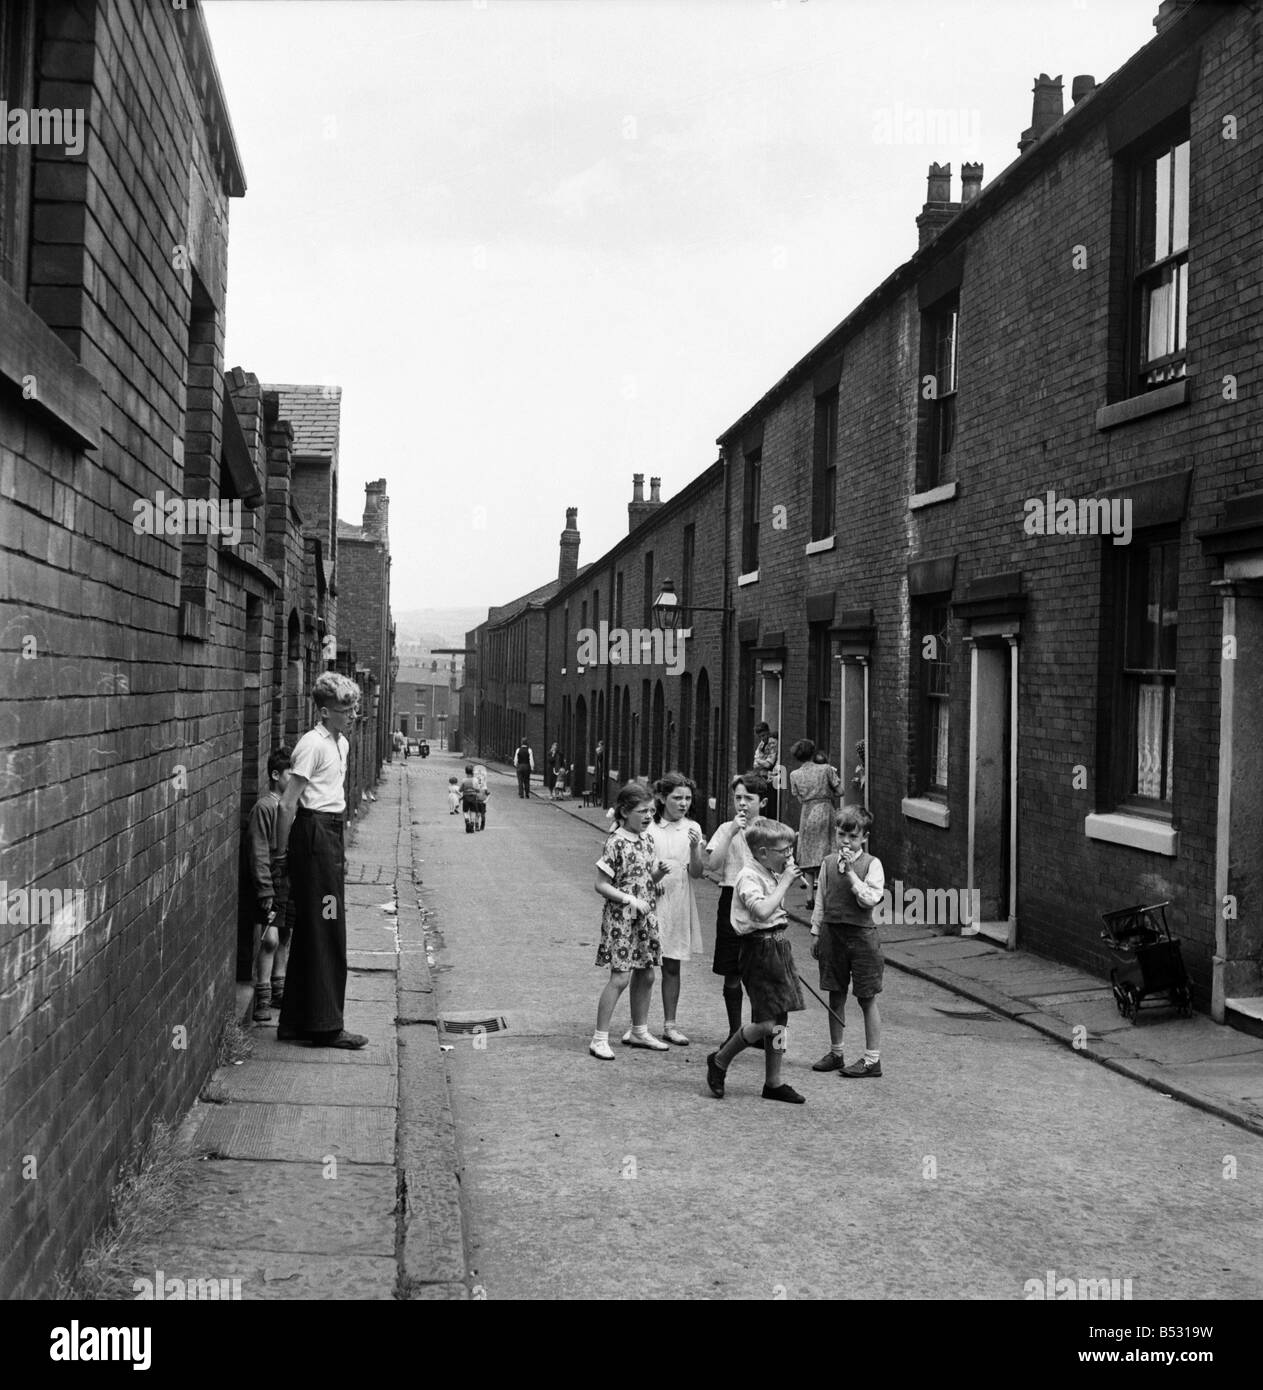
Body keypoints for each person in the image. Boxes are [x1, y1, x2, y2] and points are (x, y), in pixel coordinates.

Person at [276, 671, 367, 1049]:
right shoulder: (311, 745)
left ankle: (298, 1023)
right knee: (326, 924)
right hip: (313, 834)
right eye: (345, 710)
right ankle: (327, 1026)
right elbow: (286, 803)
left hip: (329, 834)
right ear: (326, 711)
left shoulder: (340, 744)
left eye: (354, 708)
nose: (351, 715)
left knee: (319, 924)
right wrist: (281, 854)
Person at [705, 818, 806, 1104]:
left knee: (781, 1020)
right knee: (765, 1023)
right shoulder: (748, 877)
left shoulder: (771, 871)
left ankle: (773, 1081)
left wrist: (783, 878)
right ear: (762, 852)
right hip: (757, 950)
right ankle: (720, 1059)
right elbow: (761, 911)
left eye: (790, 850)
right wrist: (786, 882)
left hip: (777, 947)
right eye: (783, 851)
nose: (789, 856)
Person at [589, 781, 671, 1060]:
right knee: (621, 977)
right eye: (642, 811)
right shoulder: (615, 842)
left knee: (647, 973)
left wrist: (657, 877)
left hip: (644, 916)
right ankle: (599, 1038)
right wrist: (629, 898)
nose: (649, 816)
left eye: (651, 810)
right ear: (624, 812)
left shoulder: (647, 839)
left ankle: (639, 1030)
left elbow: (644, 877)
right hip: (622, 918)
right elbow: (601, 884)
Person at [627, 771, 705, 1046]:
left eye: (687, 798)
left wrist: (696, 848)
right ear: (662, 797)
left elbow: (697, 873)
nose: (683, 803)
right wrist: (652, 879)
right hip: (651, 900)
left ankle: (670, 1025)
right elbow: (639, 866)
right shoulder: (649, 827)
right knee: (643, 963)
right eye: (677, 797)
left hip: (679, 899)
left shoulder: (692, 828)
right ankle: (638, 1026)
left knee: (672, 965)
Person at [809, 805, 885, 1077]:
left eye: (853, 837)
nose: (846, 842)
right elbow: (821, 899)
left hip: (862, 936)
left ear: (864, 837)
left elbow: (869, 899)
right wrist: (816, 932)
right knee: (835, 994)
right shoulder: (828, 863)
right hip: (833, 933)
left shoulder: (872, 864)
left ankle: (871, 1059)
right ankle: (836, 1052)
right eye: (842, 835)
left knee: (866, 997)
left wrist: (851, 873)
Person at [704, 770, 770, 1038]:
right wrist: (731, 832)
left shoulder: (770, 830)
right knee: (731, 969)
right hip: (731, 897)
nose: (742, 803)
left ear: (762, 803)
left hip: (760, 902)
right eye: (738, 797)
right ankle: (734, 1030)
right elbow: (713, 865)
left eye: (749, 798)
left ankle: (756, 1031)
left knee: (759, 972)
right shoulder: (724, 829)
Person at [245, 746, 294, 1022]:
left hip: (288, 878)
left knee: (285, 935)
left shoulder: (290, 806)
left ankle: (278, 990)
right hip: (271, 879)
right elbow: (259, 850)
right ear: (276, 774)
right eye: (291, 773)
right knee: (270, 939)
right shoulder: (265, 808)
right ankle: (262, 997)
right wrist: (264, 888)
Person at [789, 738, 841, 903]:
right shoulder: (826, 769)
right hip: (825, 810)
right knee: (827, 850)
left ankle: (809, 896)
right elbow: (841, 791)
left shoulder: (794, 775)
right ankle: (824, 896)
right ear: (813, 753)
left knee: (809, 852)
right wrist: (827, 794)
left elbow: (798, 798)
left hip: (807, 813)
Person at [753, 722, 780, 817]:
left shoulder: (772, 743)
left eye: (764, 735)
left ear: (768, 732)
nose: (762, 738)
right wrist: (760, 761)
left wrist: (758, 760)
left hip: (770, 778)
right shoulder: (762, 744)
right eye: (760, 736)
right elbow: (755, 764)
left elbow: (769, 763)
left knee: (769, 805)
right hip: (761, 777)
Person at [458, 763, 481, 833]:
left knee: (465, 811)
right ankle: (472, 823)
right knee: (473, 811)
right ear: (473, 772)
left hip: (466, 797)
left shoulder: (464, 780)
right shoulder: (475, 780)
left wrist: (464, 789)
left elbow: (460, 789)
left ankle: (467, 820)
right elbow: (478, 790)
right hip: (473, 797)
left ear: (466, 772)